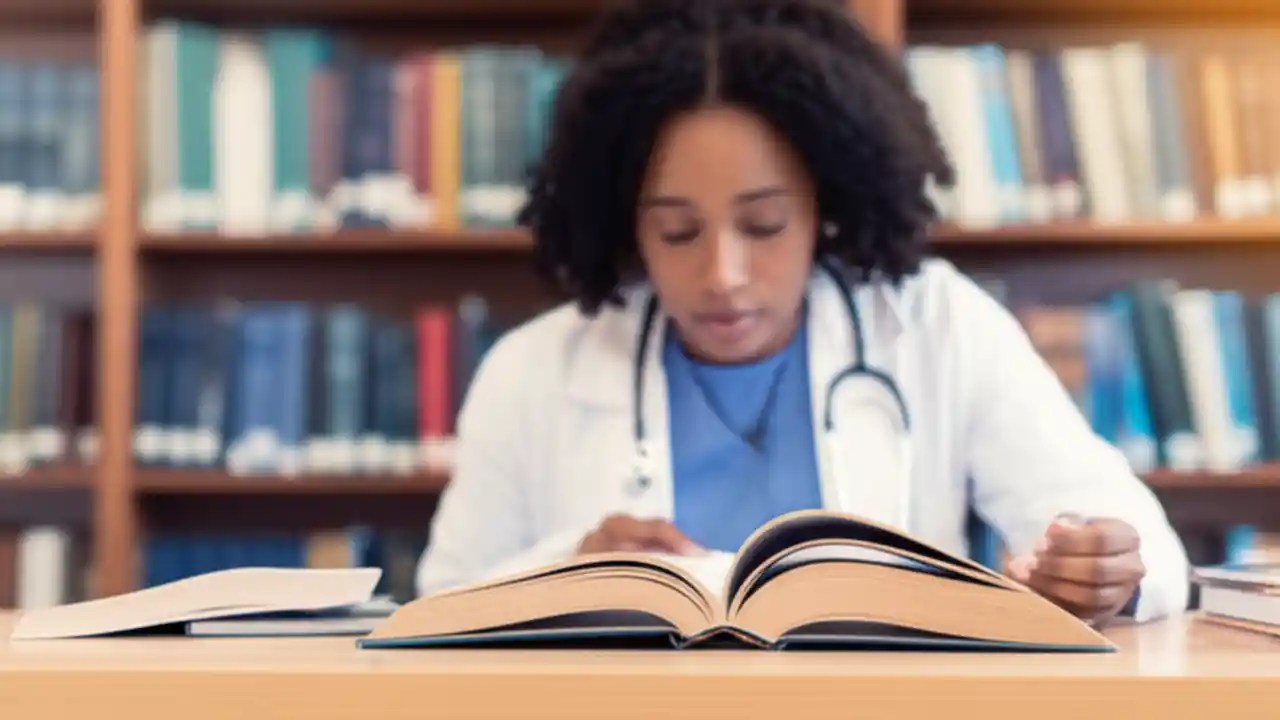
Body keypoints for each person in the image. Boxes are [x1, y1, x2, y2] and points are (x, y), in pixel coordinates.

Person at [416, 0, 1188, 625]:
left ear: (825, 204)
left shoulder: (934, 323)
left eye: (764, 225)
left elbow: (1138, 541)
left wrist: (1103, 570)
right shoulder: (534, 370)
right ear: (626, 221)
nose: (723, 274)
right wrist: (566, 575)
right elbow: (432, 609)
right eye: (677, 230)